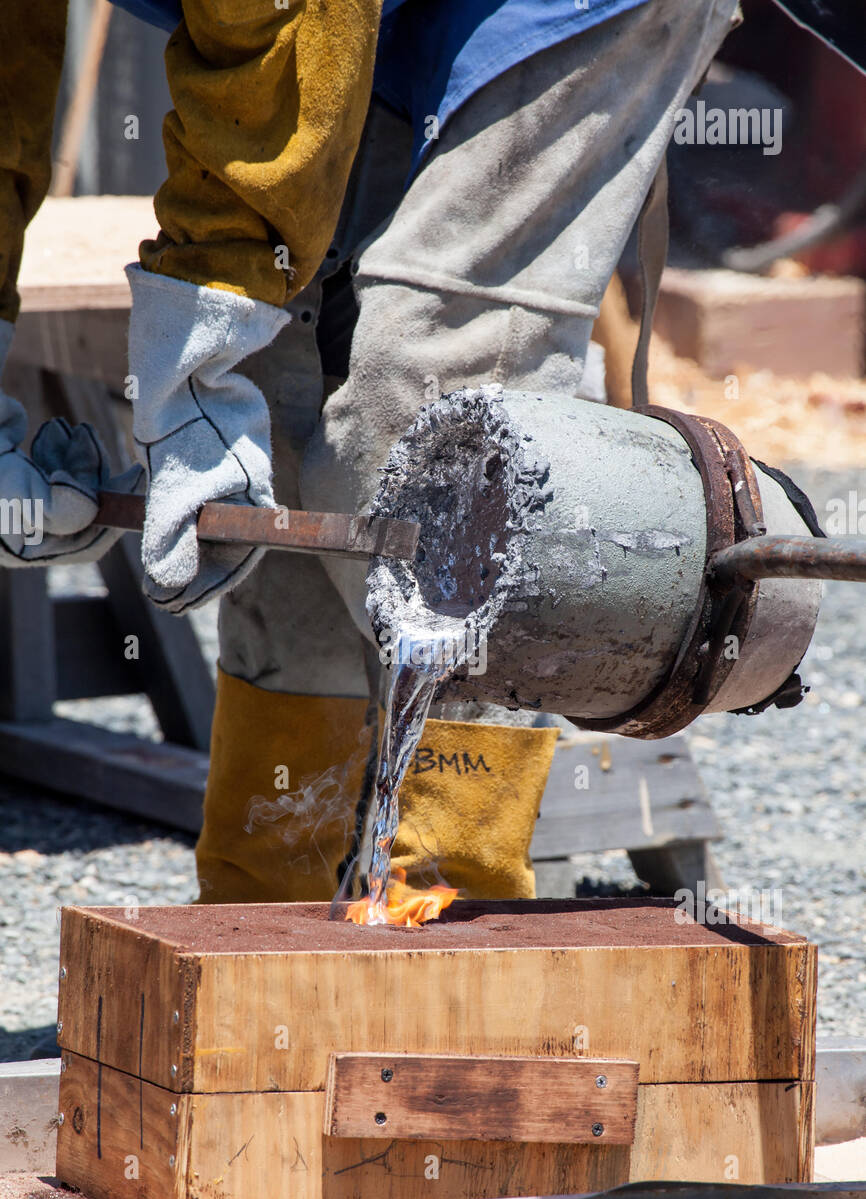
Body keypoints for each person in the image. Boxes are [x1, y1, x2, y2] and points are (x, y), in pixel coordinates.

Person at [0, 0, 747, 904]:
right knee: (272, 418)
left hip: (556, 14)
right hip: (351, 27)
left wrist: (195, 348)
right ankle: (267, 909)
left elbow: (268, 25)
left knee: (434, 406)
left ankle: (447, 902)